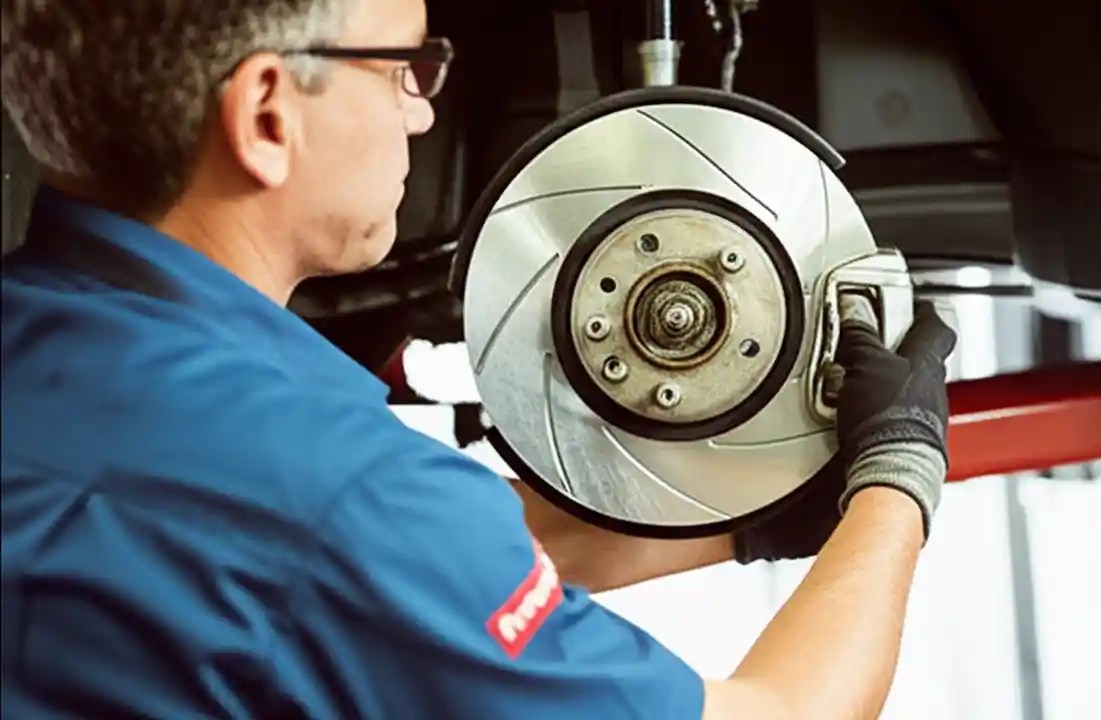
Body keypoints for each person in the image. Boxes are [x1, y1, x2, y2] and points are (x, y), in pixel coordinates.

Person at [0, 1, 957, 718]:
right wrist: (898, 473)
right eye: (405, 68)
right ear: (267, 116)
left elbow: (384, 575)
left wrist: (748, 524)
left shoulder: (49, 336)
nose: (422, 114)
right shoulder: (337, 498)